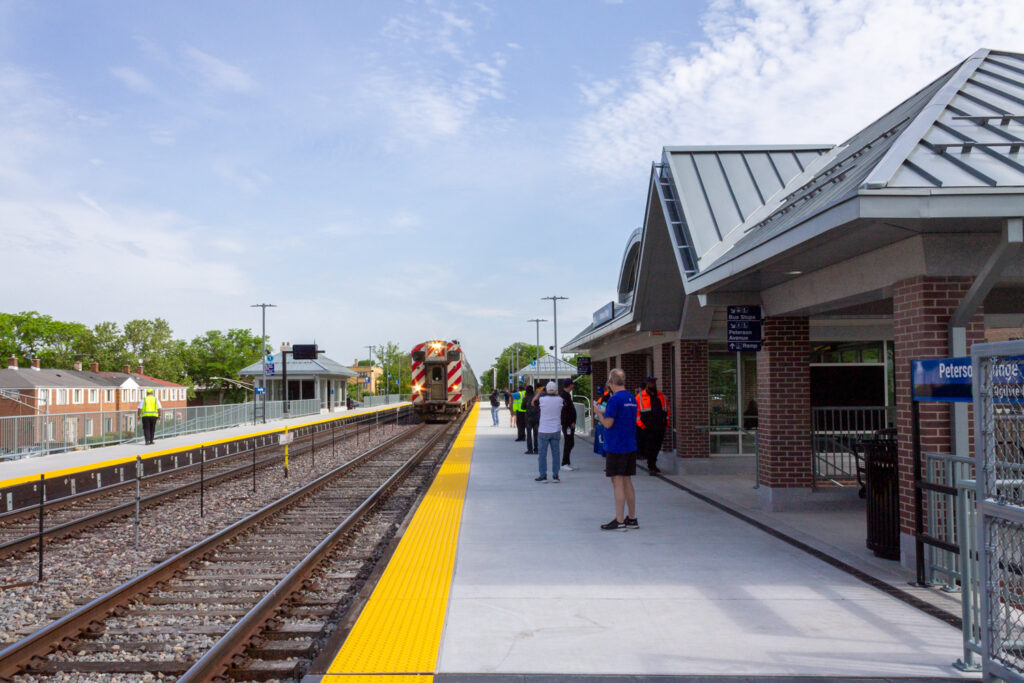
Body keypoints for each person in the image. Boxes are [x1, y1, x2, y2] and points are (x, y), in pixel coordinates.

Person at [593, 368, 638, 531]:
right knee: (627, 480)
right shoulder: (631, 398)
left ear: (611, 382)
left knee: (617, 481)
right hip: (630, 444)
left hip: (616, 446)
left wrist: (598, 412)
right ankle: (632, 518)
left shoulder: (614, 400)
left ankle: (619, 520)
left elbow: (608, 424)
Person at [636, 376, 670, 475]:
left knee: (657, 447)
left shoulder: (662, 396)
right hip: (646, 428)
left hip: (659, 427)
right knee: (649, 447)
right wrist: (641, 426)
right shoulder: (640, 397)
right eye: (651, 382)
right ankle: (651, 466)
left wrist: (666, 424)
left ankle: (653, 464)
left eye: (654, 382)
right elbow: (636, 413)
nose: (653, 384)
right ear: (646, 384)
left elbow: (667, 410)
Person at [533, 381, 563, 482]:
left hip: (543, 430)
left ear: (546, 390)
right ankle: (555, 476)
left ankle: (543, 475)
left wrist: (540, 391)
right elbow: (563, 402)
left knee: (542, 454)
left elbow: (533, 402)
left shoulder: (542, 399)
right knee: (556, 454)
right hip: (556, 430)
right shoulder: (560, 400)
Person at [559, 377, 577, 471]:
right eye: (572, 384)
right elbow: (565, 412)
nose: (573, 385)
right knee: (568, 442)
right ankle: (564, 463)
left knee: (570, 442)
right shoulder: (563, 396)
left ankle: (567, 462)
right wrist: (570, 423)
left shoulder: (567, 395)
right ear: (569, 385)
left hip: (569, 424)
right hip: (567, 424)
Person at [593, 384, 611, 456]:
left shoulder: (606, 397)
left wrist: (598, 410)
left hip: (603, 422)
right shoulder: (607, 397)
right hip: (604, 422)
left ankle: (603, 452)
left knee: (603, 440)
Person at [523, 385, 538, 454]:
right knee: (536, 434)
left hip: (528, 418)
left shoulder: (525, 398)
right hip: (536, 418)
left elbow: (523, 407)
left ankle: (530, 449)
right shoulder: (536, 397)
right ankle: (536, 449)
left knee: (529, 435)